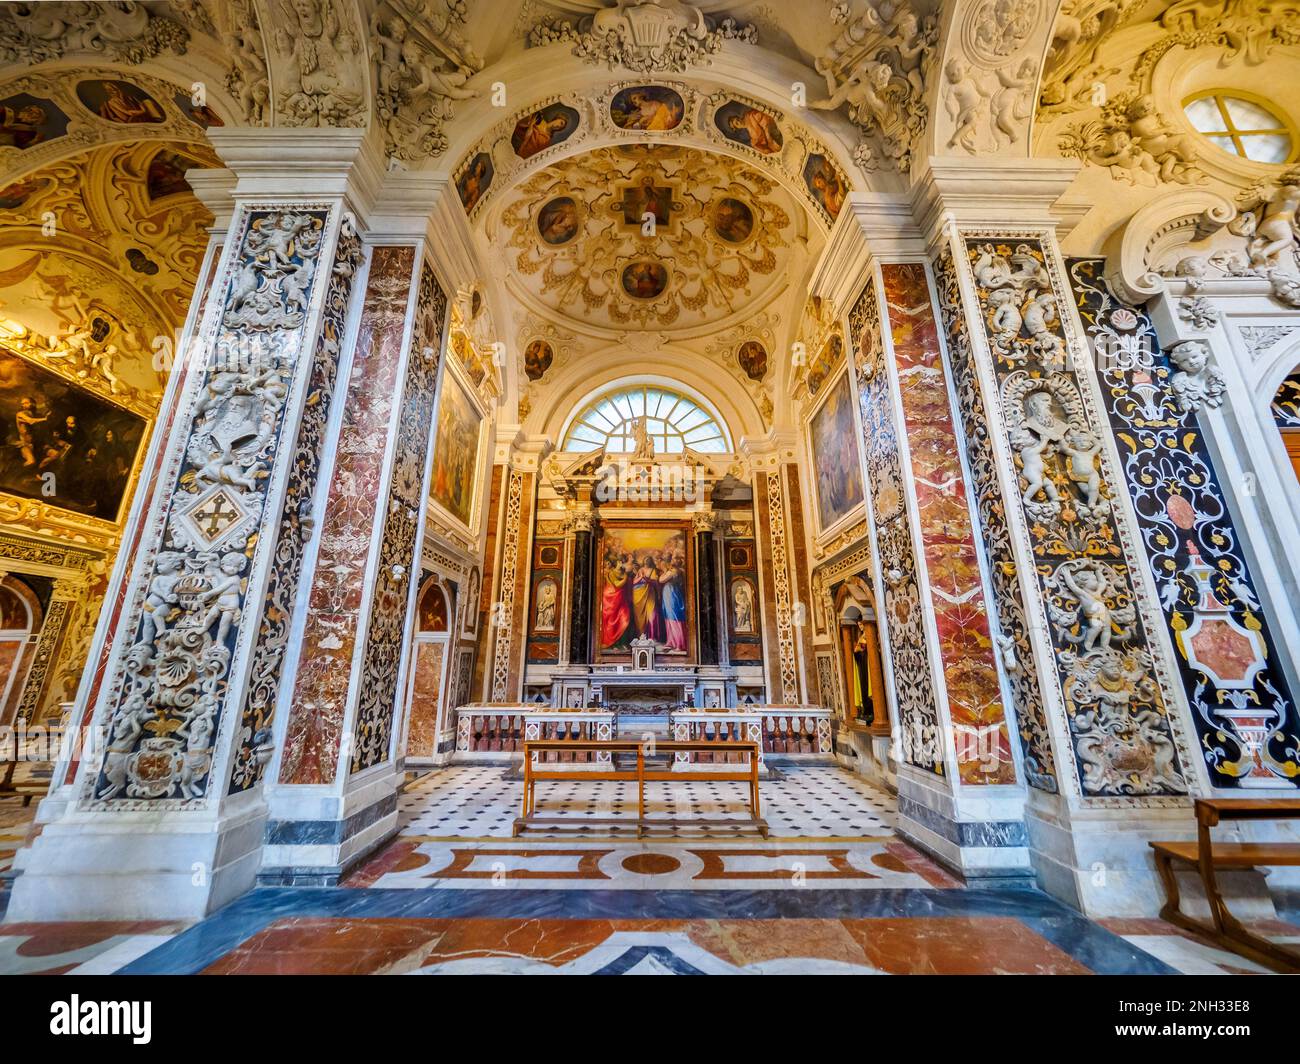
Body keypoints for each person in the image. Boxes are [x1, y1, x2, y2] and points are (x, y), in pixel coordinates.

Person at [660, 551, 687, 652]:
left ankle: (679, 644)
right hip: (672, 593)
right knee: (669, 617)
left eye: (674, 559)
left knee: (673, 618)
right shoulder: (680, 570)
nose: (671, 560)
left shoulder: (674, 571)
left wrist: (664, 571)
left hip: (671, 594)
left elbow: (661, 580)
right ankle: (671, 641)